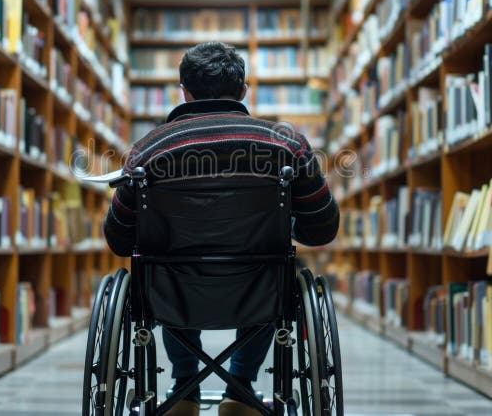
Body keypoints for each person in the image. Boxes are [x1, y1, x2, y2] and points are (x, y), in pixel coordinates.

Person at [103, 41, 339, 416]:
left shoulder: (147, 150)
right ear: (244, 90)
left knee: (160, 262)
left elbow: (118, 237)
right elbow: (324, 225)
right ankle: (240, 388)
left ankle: (185, 387)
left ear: (184, 91)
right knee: (276, 265)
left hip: (173, 290)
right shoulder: (286, 144)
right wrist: (284, 226)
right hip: (259, 287)